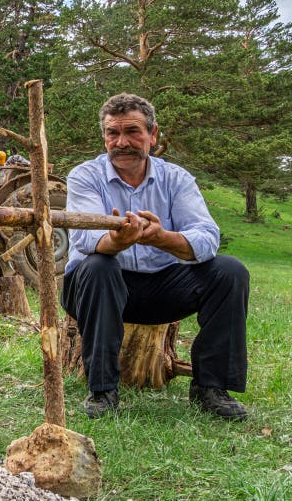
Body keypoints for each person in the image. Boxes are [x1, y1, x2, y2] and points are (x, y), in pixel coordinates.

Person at [61, 93, 249, 420]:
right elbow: (86, 237)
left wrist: (164, 238)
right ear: (104, 136)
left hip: (162, 289)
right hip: (96, 289)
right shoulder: (84, 176)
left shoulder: (176, 179)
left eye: (133, 131)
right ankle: (102, 391)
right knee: (98, 265)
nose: (121, 142)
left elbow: (207, 237)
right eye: (112, 133)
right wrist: (119, 242)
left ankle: (212, 389)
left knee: (230, 271)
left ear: (153, 134)